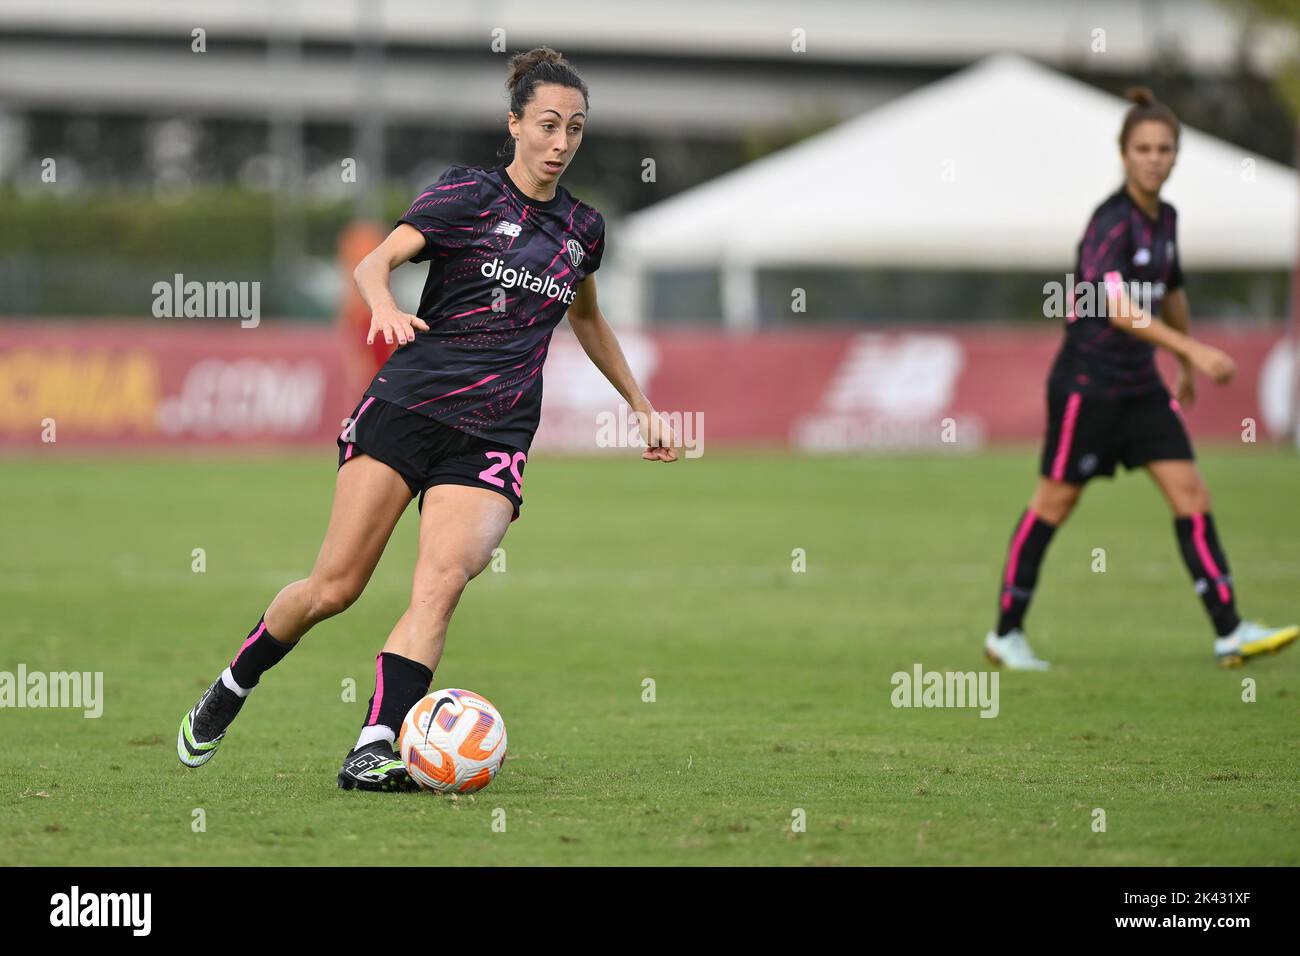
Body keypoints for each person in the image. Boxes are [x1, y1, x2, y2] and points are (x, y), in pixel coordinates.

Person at [178, 46, 679, 789]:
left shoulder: (583, 231)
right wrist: (384, 306)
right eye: (546, 124)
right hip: (408, 405)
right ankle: (234, 683)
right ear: (514, 124)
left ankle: (373, 744)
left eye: (574, 128)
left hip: (496, 434)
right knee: (334, 588)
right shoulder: (465, 196)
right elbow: (372, 263)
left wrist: (641, 406)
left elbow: (588, 319)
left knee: (442, 579)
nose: (560, 142)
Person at [984, 87, 1297, 671]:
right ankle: (1006, 633)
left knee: (1191, 494)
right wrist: (1194, 351)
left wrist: (1180, 366)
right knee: (1054, 502)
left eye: (1164, 148)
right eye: (1143, 148)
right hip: (1088, 385)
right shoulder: (1111, 224)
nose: (1154, 157)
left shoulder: (1167, 219)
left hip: (1142, 387)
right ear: (1123, 154)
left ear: (1176, 156)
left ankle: (1230, 632)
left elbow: (1169, 291)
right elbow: (1118, 307)